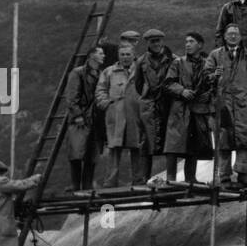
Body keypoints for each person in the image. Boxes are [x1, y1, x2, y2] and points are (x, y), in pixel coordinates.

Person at [206, 23, 247, 188]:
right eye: (230, 34)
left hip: (243, 104)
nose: (233, 36)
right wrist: (213, 76)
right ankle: (224, 176)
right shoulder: (215, 55)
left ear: (240, 37)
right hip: (222, 104)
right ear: (224, 36)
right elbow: (205, 77)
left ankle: (243, 173)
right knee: (223, 141)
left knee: (246, 139)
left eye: (236, 34)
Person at [160, 32, 215, 185]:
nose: (187, 44)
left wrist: (208, 94)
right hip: (180, 109)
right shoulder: (178, 63)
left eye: (191, 41)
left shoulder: (207, 64)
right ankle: (170, 179)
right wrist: (182, 91)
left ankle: (191, 178)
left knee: (194, 145)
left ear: (200, 45)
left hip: (198, 110)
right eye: (186, 42)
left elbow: (213, 84)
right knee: (173, 145)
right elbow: (167, 83)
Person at [95, 44, 144, 187]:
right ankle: (110, 181)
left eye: (128, 54)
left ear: (133, 55)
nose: (125, 57)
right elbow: (100, 90)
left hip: (136, 113)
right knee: (114, 148)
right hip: (116, 114)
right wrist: (106, 104)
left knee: (137, 147)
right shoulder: (109, 72)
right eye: (122, 54)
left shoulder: (140, 70)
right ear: (118, 56)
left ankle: (138, 179)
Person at [132, 28, 175, 185]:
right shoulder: (141, 62)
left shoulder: (173, 59)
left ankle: (171, 177)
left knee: (169, 141)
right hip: (149, 106)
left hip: (167, 104)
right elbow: (138, 84)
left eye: (158, 41)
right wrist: (147, 96)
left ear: (162, 41)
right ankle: (145, 178)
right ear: (148, 43)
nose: (156, 44)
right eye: (152, 41)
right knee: (146, 142)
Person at [64, 45, 104, 191]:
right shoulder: (78, 73)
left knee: (91, 155)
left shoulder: (100, 74)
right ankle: (76, 186)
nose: (103, 56)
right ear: (92, 55)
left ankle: (86, 186)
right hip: (81, 119)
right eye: (100, 53)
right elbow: (71, 96)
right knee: (76, 153)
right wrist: (77, 114)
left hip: (95, 119)